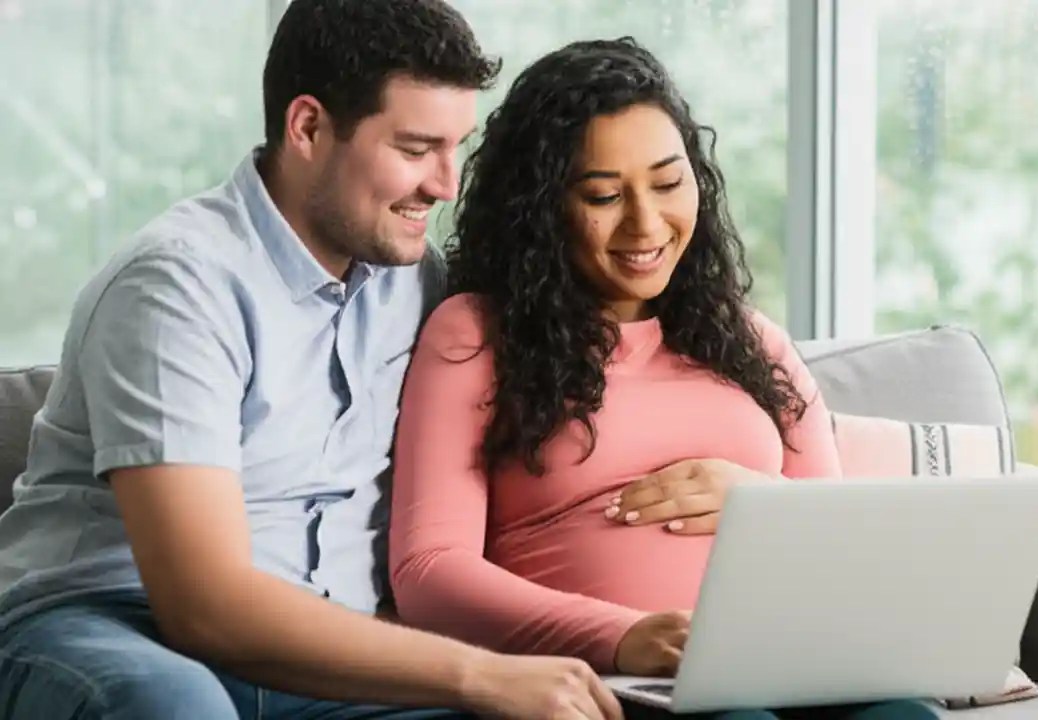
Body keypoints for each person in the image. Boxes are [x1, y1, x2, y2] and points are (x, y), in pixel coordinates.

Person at [0, 2, 624, 719]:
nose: (446, 185)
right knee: (173, 703)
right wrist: (477, 674)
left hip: (319, 652)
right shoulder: (176, 286)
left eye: (456, 148)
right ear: (307, 127)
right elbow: (205, 607)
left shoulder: (418, 284)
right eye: (416, 150)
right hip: (103, 622)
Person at [388, 37, 936, 719]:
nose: (646, 224)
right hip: (618, 684)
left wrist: (764, 502)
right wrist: (623, 637)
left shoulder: (754, 341)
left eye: (669, 183)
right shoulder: (475, 334)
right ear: (540, 208)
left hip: (787, 662)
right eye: (604, 195)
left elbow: (837, 552)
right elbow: (428, 574)